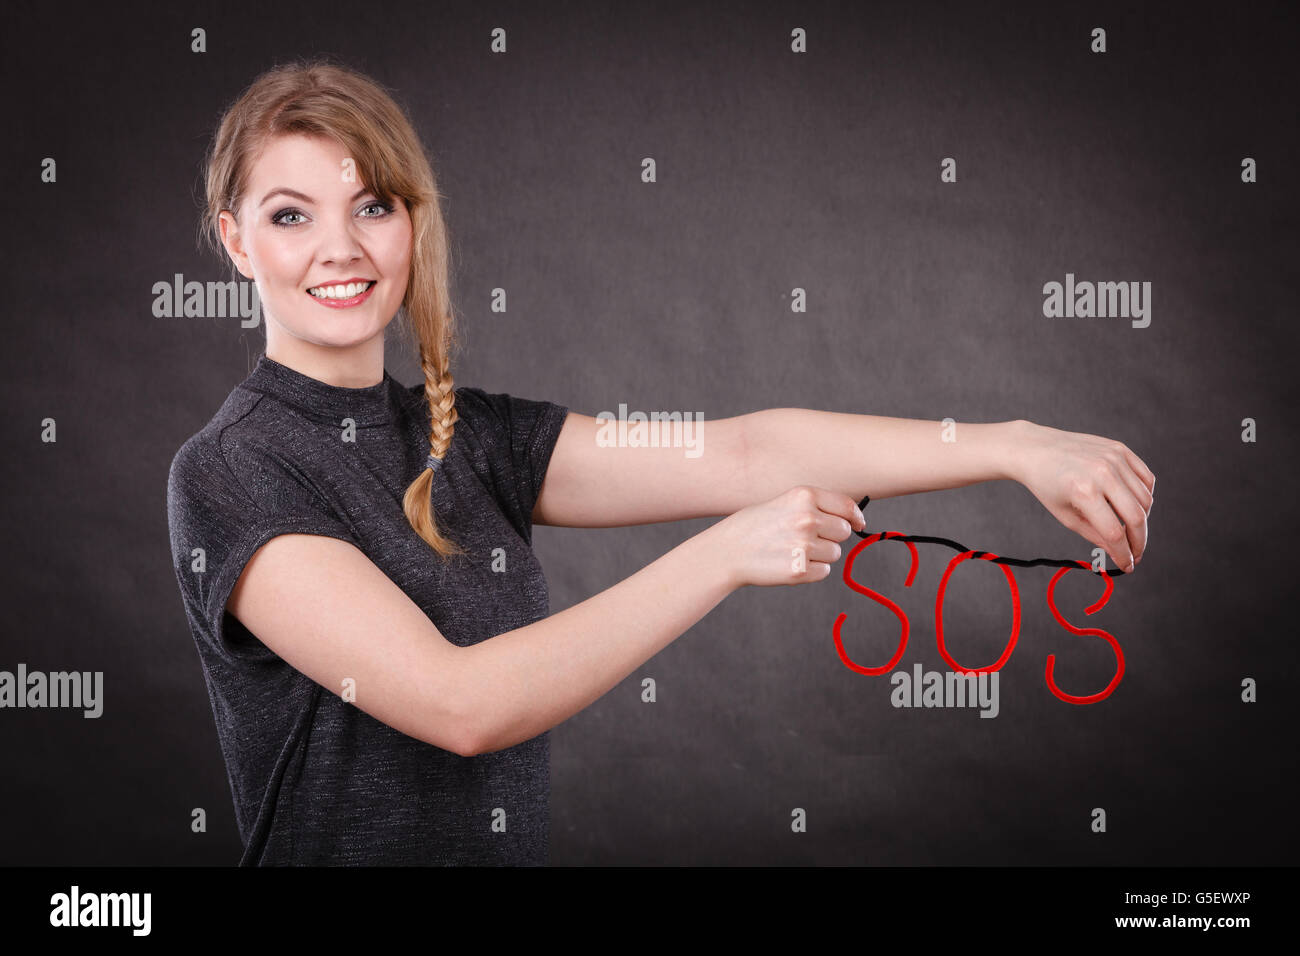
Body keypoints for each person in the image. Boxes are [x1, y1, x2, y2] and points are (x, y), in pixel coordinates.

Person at [166, 58, 1155, 866]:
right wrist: (725, 554)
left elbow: (742, 450)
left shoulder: (475, 436)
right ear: (236, 240)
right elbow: (459, 704)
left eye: (372, 205)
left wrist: (1013, 447)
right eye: (291, 214)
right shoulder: (230, 471)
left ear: (410, 222)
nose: (341, 247)